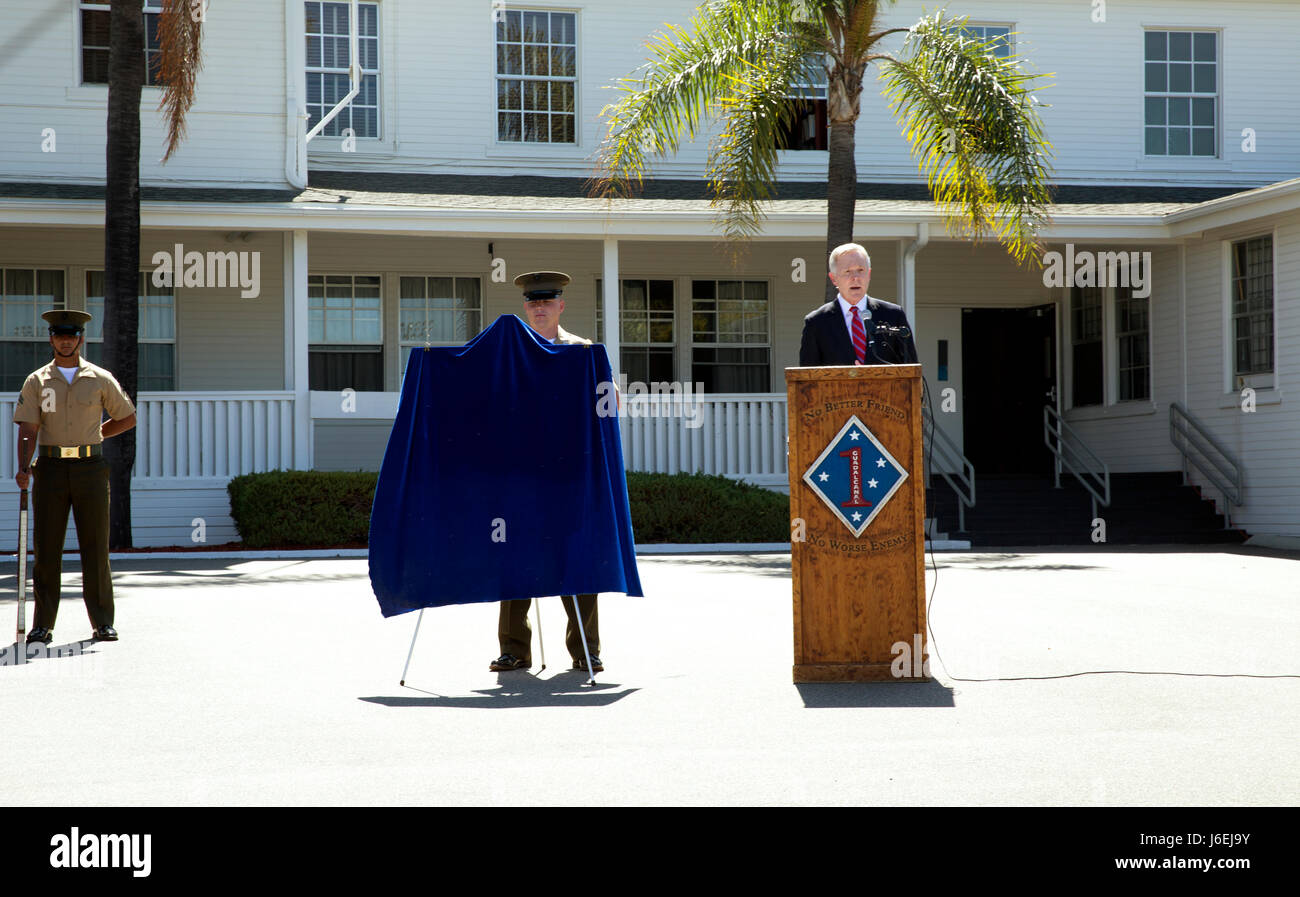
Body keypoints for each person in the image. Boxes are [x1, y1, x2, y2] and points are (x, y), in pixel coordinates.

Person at [490, 271, 602, 674]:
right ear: (525, 307)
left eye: (547, 301)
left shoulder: (583, 351)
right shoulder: (508, 352)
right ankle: (514, 649)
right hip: (519, 476)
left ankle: (586, 650)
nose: (539, 308)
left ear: (561, 306)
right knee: (515, 560)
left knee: (577, 559)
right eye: (533, 302)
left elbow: (606, 405)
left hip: (568, 476)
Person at [13, 310, 137, 644]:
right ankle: (42, 625)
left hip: (90, 469)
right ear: (51, 339)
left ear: (80, 339)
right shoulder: (37, 381)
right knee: (46, 547)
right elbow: (28, 427)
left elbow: (127, 417)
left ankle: (102, 622)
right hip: (50, 469)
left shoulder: (99, 378)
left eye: (71, 336)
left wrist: (96, 432)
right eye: (59, 336)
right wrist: (24, 468)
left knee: (95, 546)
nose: (65, 341)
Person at [799, 243, 919, 366]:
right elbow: (807, 378)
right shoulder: (817, 322)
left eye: (860, 270)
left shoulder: (893, 315)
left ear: (869, 274)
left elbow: (911, 370)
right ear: (834, 278)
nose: (855, 278)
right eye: (847, 272)